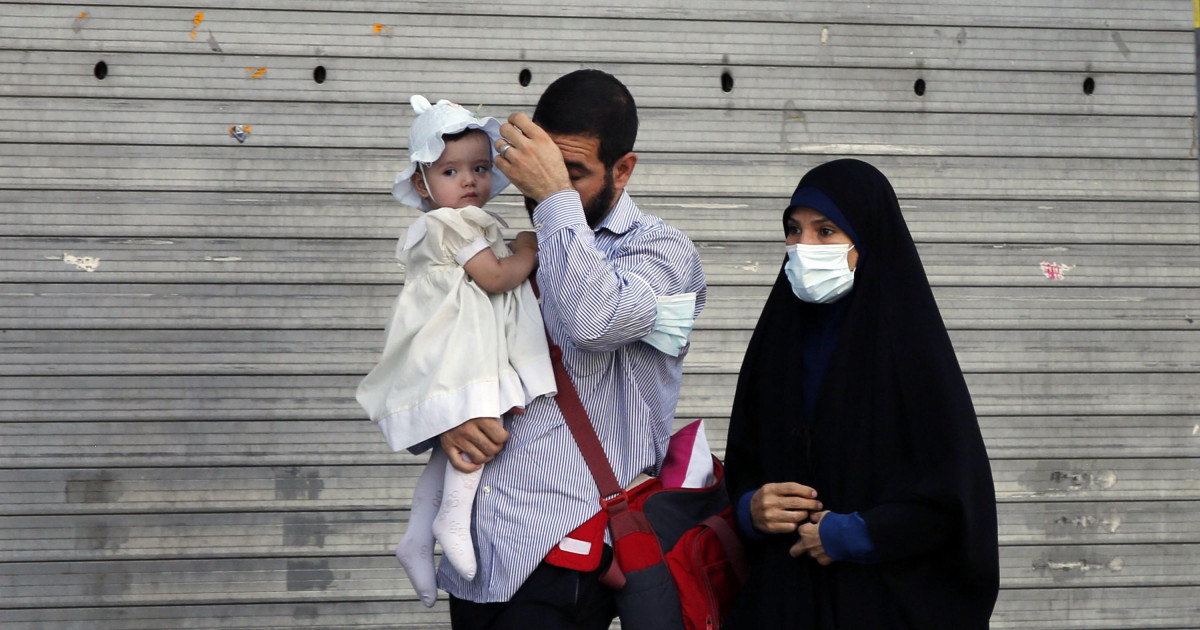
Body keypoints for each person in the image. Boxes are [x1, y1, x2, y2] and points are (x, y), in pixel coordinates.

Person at [435, 69, 707, 629]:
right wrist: (444, 420)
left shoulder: (662, 253)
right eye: (543, 170)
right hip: (483, 552)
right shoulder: (510, 252)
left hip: (571, 549)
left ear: (623, 169)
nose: (544, 190)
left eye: (572, 173)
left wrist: (554, 195)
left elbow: (591, 321)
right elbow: (432, 350)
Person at [723, 159, 999, 629]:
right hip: (781, 600)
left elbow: (955, 501)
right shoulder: (777, 343)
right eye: (793, 230)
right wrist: (750, 509)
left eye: (826, 231)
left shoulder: (911, 353)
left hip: (882, 603)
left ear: (868, 242)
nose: (803, 247)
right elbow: (744, 464)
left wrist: (857, 534)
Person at [356, 95, 556, 608]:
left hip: (452, 340)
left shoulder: (452, 223)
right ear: (423, 182)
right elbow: (493, 277)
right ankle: (451, 518)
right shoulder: (453, 224)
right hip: (456, 346)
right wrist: (528, 253)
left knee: (452, 444)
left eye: (481, 168)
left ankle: (417, 537)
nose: (469, 180)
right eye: (451, 171)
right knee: (480, 423)